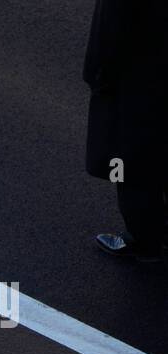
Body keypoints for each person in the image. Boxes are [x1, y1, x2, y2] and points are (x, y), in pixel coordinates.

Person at [85, 0, 168, 263]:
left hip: (142, 79)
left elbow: (109, 30)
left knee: (135, 162)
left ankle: (145, 241)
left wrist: (97, 76)